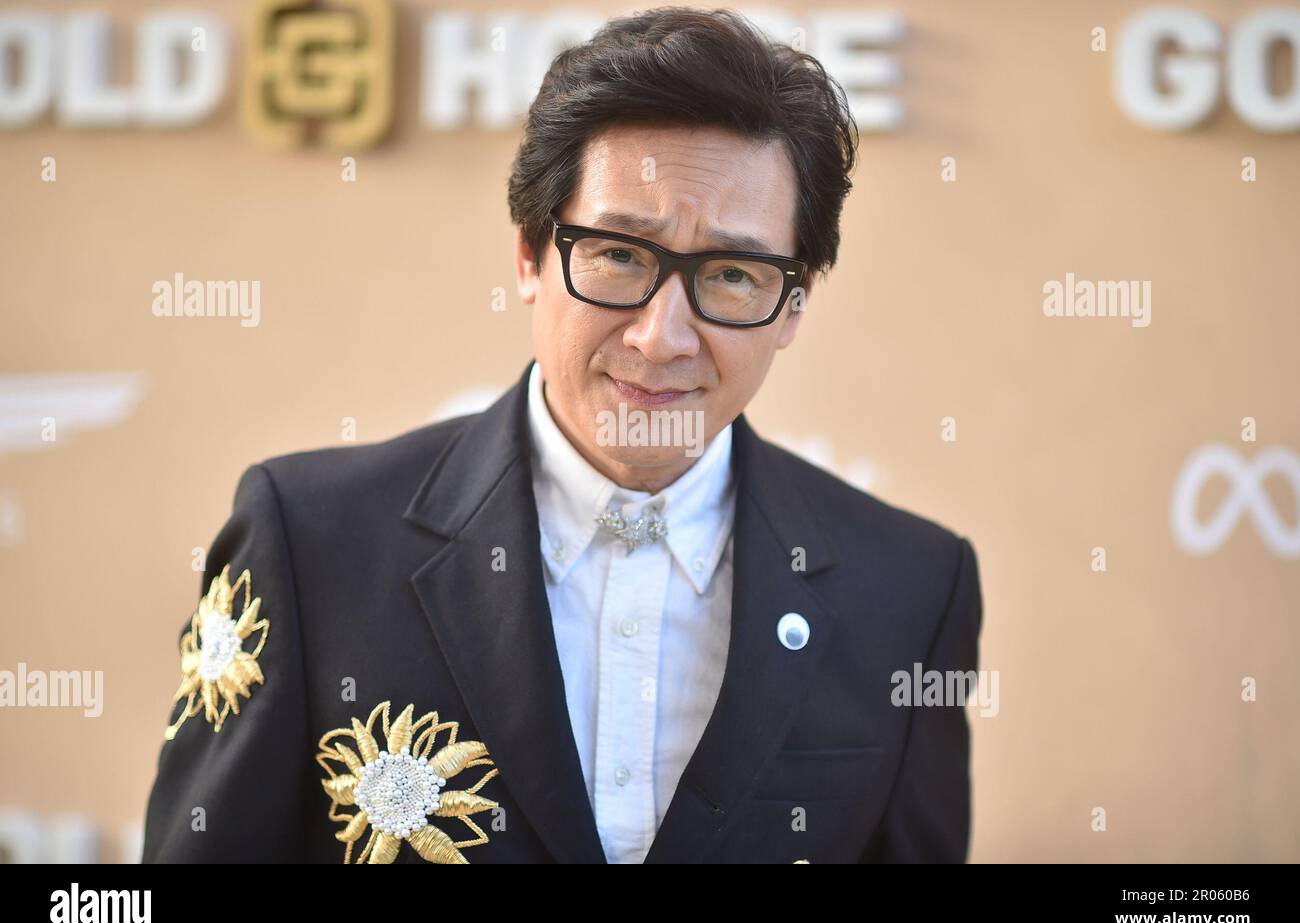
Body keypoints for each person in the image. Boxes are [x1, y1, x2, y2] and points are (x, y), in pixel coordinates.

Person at [142, 6, 982, 864]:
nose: (663, 336)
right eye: (620, 253)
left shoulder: (911, 589)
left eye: (732, 274)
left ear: (793, 307)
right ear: (529, 257)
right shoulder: (312, 541)